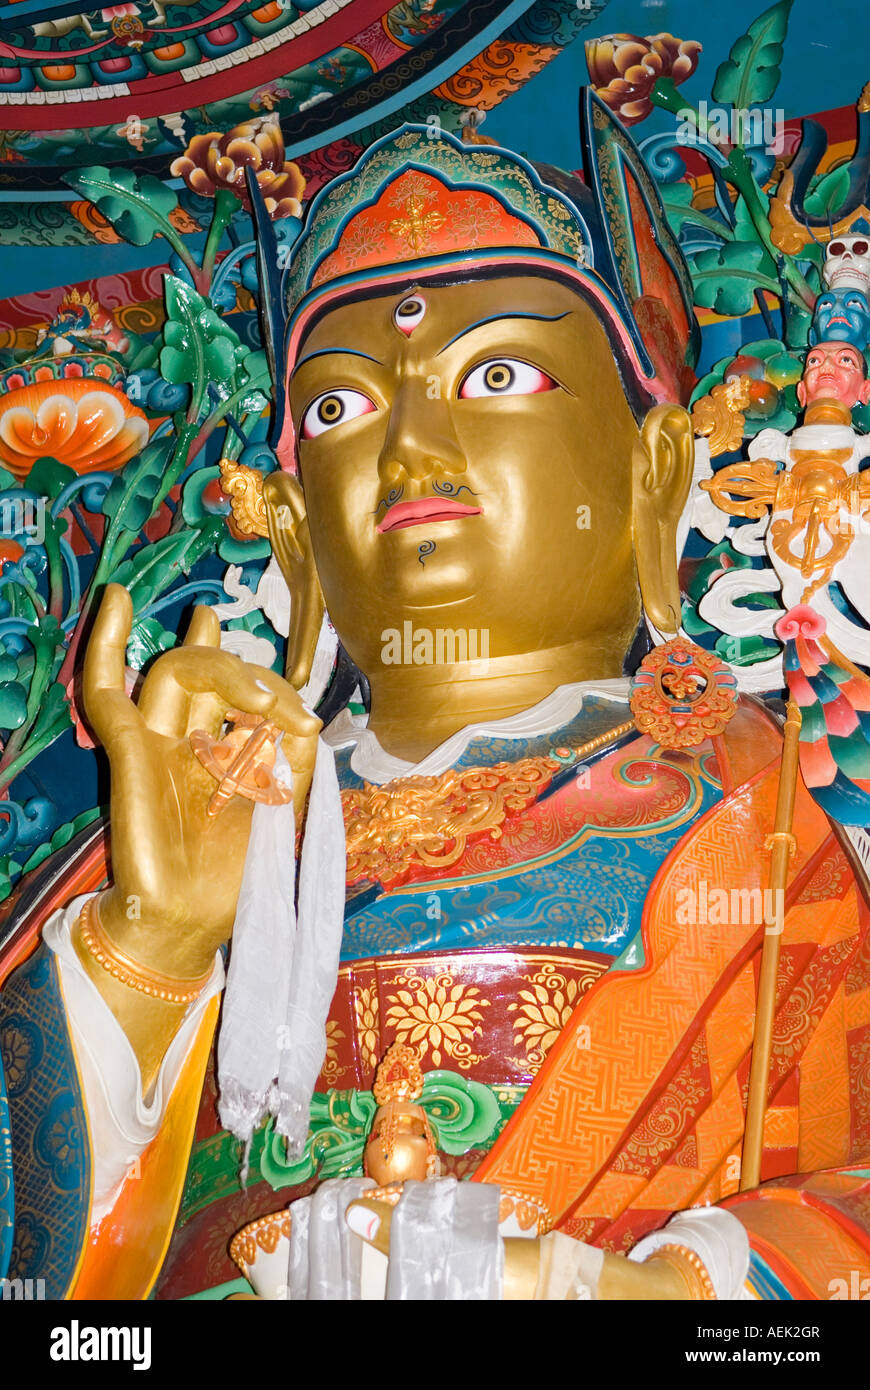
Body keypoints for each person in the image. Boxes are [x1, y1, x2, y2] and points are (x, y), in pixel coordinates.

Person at [1, 99, 869, 1301]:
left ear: (652, 472)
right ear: (295, 537)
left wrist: (635, 1292)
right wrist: (144, 959)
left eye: (499, 372)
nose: (409, 448)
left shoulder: (779, 797)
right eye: (340, 407)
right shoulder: (190, 828)